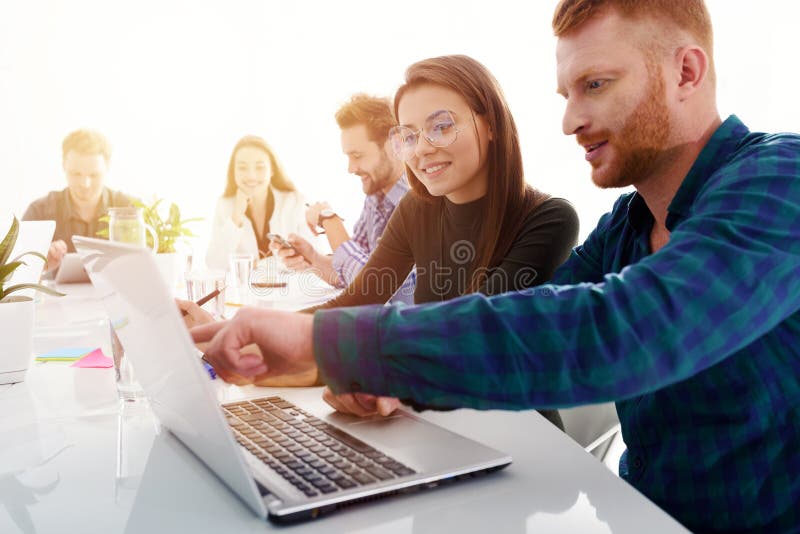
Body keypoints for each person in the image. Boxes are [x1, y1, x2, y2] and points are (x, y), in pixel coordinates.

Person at [192, 1, 800, 532]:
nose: (569, 121)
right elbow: (531, 318)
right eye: (567, 95)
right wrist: (385, 376)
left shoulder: (781, 180)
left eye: (596, 84)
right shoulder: (627, 224)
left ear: (686, 72)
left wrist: (340, 345)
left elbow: (622, 330)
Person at [272, 94, 415, 304]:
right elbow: (354, 274)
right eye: (348, 157)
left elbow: (381, 290)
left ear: (394, 147)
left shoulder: (414, 201)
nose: (350, 168)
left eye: (357, 156)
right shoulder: (376, 198)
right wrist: (313, 258)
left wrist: (330, 220)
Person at [22, 129, 131, 272]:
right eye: (76, 174)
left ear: (107, 167)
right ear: (64, 166)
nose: (85, 184)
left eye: (94, 175)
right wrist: (40, 266)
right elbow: (17, 273)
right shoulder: (39, 211)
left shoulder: (130, 210)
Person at [205, 135, 319, 270]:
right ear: (233, 171)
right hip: (246, 291)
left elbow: (316, 257)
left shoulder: (294, 201)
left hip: (291, 288)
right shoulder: (225, 205)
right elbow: (214, 265)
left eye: (259, 167)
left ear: (272, 170)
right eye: (242, 168)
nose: (251, 176)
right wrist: (236, 217)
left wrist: (255, 266)